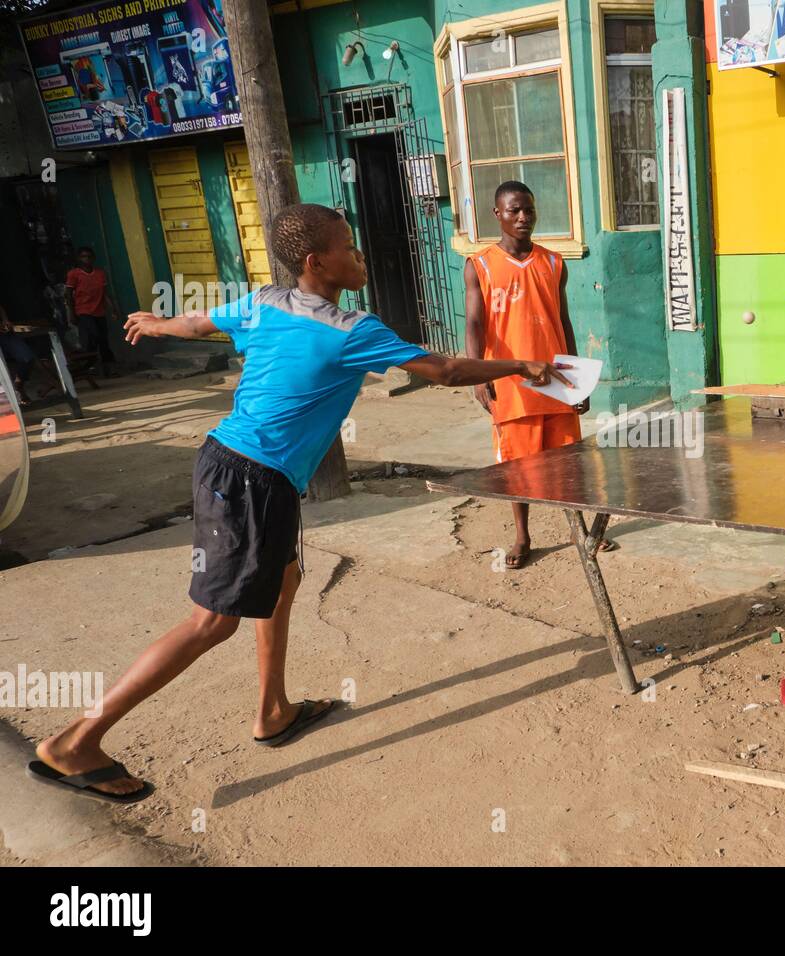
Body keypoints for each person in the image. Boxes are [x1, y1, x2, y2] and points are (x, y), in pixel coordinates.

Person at [28, 203, 571, 801]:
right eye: (348, 247)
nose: (360, 255)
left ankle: (273, 710)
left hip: (249, 474)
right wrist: (520, 363)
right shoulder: (353, 331)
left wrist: (156, 324)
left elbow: (198, 324)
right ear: (316, 262)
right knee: (212, 623)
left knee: (284, 580)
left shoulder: (265, 304)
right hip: (248, 481)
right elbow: (442, 369)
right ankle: (76, 742)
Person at [464, 180, 608, 570]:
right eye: (514, 210)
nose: (523, 217)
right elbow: (475, 324)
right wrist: (477, 375)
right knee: (518, 467)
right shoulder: (480, 265)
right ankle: (522, 535)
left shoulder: (552, 262)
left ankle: (582, 532)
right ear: (498, 214)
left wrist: (578, 377)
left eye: (528, 209)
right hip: (511, 385)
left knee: (568, 463)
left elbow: (563, 319)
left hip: (556, 382)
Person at [65, 247, 121, 377]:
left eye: (89, 257)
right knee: (94, 336)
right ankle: (89, 364)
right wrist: (71, 313)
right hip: (83, 311)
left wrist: (113, 309)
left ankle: (105, 368)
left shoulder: (100, 274)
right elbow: (68, 295)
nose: (87, 259)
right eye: (84, 257)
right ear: (79, 258)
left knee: (103, 340)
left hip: (99, 311)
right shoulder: (74, 274)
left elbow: (105, 293)